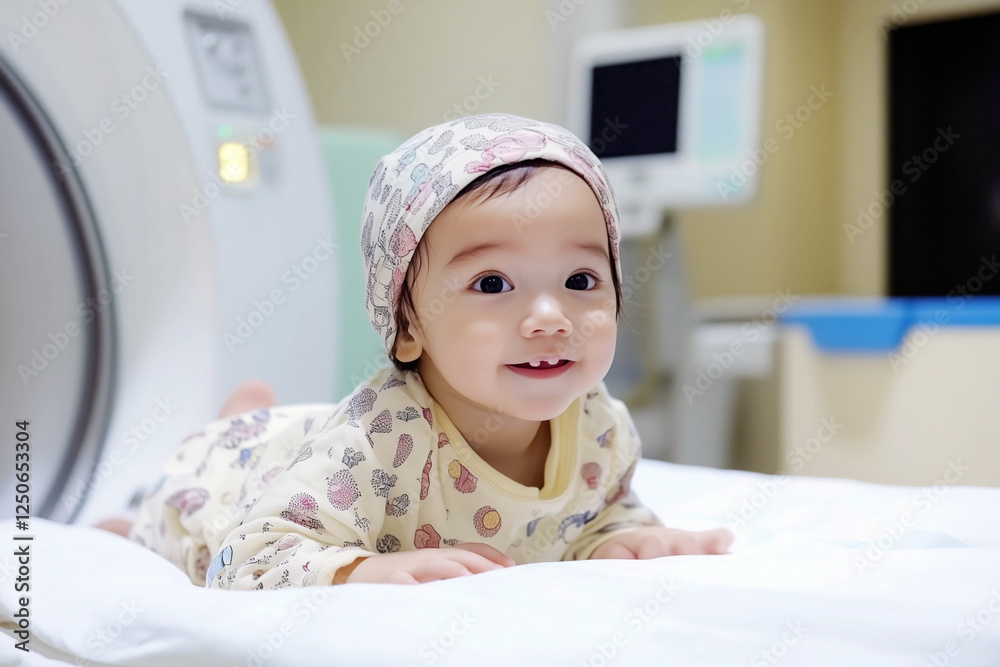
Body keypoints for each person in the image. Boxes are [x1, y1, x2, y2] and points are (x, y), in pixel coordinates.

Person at [128, 113, 733, 589]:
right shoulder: (379, 443)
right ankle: (231, 427)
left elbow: (594, 516)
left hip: (310, 440)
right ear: (407, 325)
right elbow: (245, 557)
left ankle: (250, 412)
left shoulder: (599, 425)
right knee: (164, 514)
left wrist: (621, 540)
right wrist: (363, 569)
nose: (551, 318)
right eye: (492, 284)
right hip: (236, 477)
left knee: (287, 430)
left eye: (580, 280)